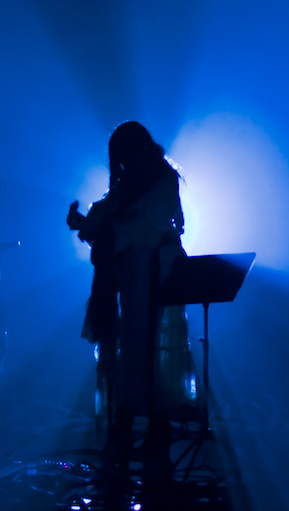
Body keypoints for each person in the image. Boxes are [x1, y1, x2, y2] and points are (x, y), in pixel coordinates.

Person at [68, 121, 189, 468]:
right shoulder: (130, 185)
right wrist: (87, 223)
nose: (123, 164)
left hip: (153, 272)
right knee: (136, 346)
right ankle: (146, 428)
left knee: (145, 347)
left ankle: (141, 428)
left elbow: (141, 228)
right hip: (135, 274)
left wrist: (94, 226)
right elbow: (110, 217)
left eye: (126, 155)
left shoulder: (162, 180)